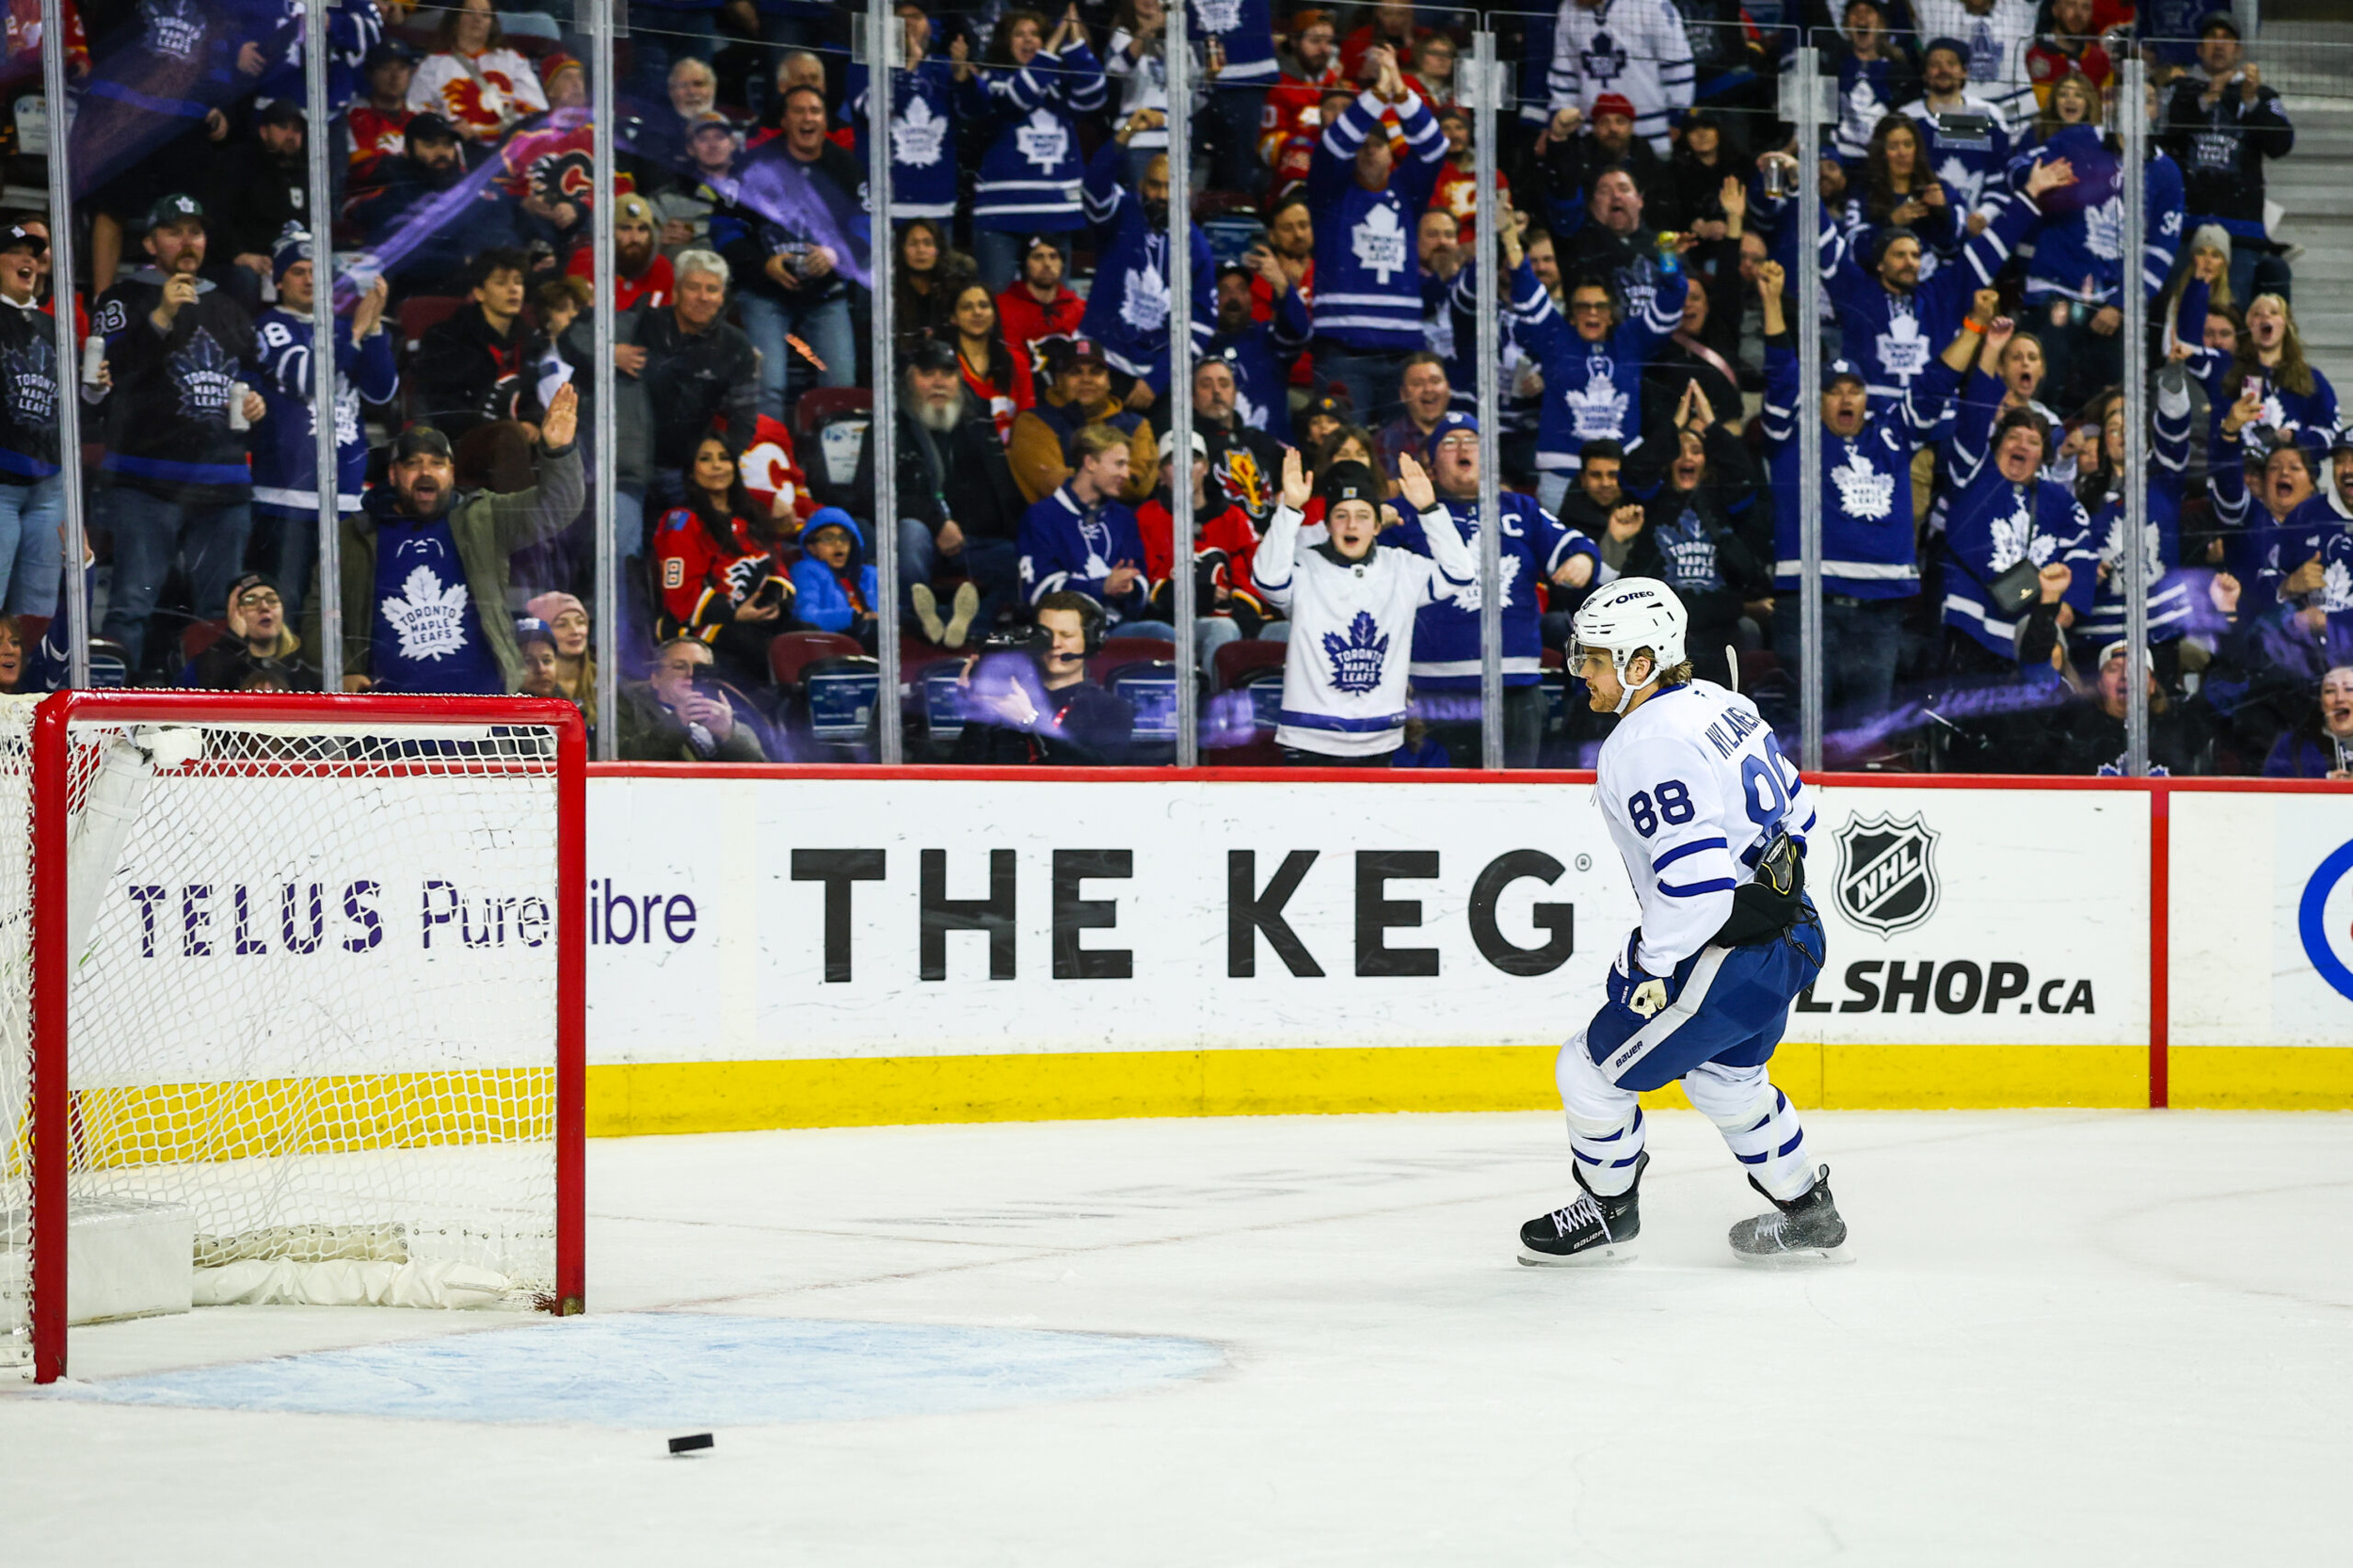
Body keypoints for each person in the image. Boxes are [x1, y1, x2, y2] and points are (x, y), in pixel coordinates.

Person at [1516, 577, 1841, 1266]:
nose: (1582, 672)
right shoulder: (1725, 703)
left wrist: (1654, 965)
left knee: (1589, 1073)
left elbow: (1696, 885)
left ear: (1641, 665)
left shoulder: (1643, 743)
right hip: (1793, 930)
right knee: (1726, 1080)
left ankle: (1608, 1213)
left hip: (1728, 949)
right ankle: (1810, 1211)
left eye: (1596, 660)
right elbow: (1804, 816)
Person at [1756, 261, 1986, 727]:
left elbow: (1934, 385)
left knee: (1863, 738)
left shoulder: (1893, 433)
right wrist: (1770, 301)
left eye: (1854, 390)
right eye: (1833, 390)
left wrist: (1976, 324)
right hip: (1811, 606)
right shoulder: (1795, 437)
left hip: (1880, 612)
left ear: (1867, 397)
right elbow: (1782, 373)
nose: (1845, 398)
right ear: (1818, 399)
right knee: (1809, 732)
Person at [88, 192, 265, 668]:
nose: (187, 241)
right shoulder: (123, 298)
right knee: (131, 606)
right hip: (145, 481)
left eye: (195, 231)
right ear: (149, 243)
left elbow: (252, 371)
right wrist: (161, 318)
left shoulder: (228, 304)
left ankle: (210, 722)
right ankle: (108, 725)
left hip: (221, 485)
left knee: (220, 615)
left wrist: (254, 399)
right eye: (173, 231)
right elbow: (105, 379)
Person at [341, 387, 584, 693]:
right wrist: (344, 668)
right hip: (391, 720)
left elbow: (557, 507)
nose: (425, 472)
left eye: (437, 463)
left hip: (483, 716)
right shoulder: (356, 533)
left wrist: (559, 452)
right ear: (392, 474)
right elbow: (319, 612)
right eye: (413, 464)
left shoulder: (483, 517)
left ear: (452, 473)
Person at [1393, 413, 1598, 767]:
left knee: (1514, 799)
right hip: (1433, 689)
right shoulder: (1405, 514)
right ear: (1430, 464)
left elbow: (1574, 544)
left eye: (1472, 441)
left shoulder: (1521, 509)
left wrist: (1582, 558)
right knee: (1432, 803)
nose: (1464, 448)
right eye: (1450, 442)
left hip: (1514, 687)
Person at [1252, 450, 1475, 763]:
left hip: (1379, 740)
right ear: (1328, 525)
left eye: (1362, 516)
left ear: (1377, 527)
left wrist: (1429, 508)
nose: (1351, 525)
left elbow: (1460, 572)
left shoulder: (1401, 567)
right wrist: (1290, 508)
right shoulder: (1306, 566)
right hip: (1308, 738)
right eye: (1341, 515)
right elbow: (1267, 579)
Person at [250, 236, 397, 622]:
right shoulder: (271, 326)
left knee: (344, 615)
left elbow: (381, 392)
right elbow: (307, 376)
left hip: (345, 501)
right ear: (279, 280)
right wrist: (354, 333)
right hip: (286, 500)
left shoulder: (348, 327)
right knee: (287, 613)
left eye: (317, 272)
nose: (309, 280)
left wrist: (376, 327)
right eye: (298, 271)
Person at [850, 337, 1028, 648]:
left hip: (973, 542)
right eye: (927, 374)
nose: (938, 383)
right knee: (910, 534)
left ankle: (963, 624)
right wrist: (936, 523)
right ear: (909, 379)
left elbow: (1002, 490)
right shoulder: (888, 426)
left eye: (947, 374)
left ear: (958, 380)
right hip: (920, 540)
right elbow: (869, 493)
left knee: (1022, 559)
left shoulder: (977, 421)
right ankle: (913, 625)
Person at [1306, 44, 1446, 425]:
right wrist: (1377, 96)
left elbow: (1435, 147)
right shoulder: (1330, 191)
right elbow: (1334, 145)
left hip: (1402, 353)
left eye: (1379, 145)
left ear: (1391, 152)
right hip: (1343, 351)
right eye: (1363, 146)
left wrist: (1400, 91)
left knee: (1400, 455)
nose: (1369, 152)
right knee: (1346, 446)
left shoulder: (1406, 190)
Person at [709, 84, 862, 417]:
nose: (808, 118)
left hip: (826, 295)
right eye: (799, 111)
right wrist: (763, 263)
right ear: (784, 119)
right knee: (767, 386)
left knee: (841, 385)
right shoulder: (753, 166)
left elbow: (868, 232)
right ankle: (769, 462)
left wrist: (836, 256)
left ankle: (832, 467)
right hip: (765, 294)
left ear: (825, 121)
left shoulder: (847, 168)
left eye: (815, 111)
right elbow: (722, 228)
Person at [611, 248, 760, 538]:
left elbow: (744, 419)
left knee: (688, 548)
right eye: (693, 287)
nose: (703, 297)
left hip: (688, 475)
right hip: (627, 469)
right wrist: (608, 351)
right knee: (623, 549)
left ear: (722, 297)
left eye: (712, 290)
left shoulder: (736, 347)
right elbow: (575, 339)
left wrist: (714, 466)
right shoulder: (641, 322)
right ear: (676, 291)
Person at [1079, 108, 1213, 417]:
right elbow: (1094, 188)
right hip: (1102, 363)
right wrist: (1127, 132)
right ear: (1141, 186)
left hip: (1151, 379)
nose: (1162, 194)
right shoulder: (1122, 213)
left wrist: (1157, 380)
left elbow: (1199, 326)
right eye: (1154, 185)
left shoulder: (1197, 248)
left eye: (1171, 186)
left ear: (1187, 190)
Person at [963, 7, 1107, 292]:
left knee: (1054, 304)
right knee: (998, 303)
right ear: (1006, 42)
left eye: (1036, 35)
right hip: (1001, 213)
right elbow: (1019, 99)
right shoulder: (993, 80)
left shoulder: (1058, 83)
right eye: (1019, 35)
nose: (1028, 41)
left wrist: (1074, 39)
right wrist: (1052, 46)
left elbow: (1095, 93)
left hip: (1055, 211)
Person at [2163, 13, 2294, 312]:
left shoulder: (2262, 95)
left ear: (2239, 51)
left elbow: (2281, 144)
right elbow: (2169, 130)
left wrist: (2252, 104)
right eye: (2211, 37)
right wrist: (2213, 93)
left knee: (2231, 314)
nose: (2218, 44)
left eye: (2227, 38)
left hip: (2242, 231)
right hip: (2185, 227)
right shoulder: (2183, 90)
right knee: (2178, 311)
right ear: (2198, 49)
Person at [653, 433, 797, 688]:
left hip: (757, 620)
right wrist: (735, 613)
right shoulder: (681, 522)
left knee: (807, 638)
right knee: (767, 654)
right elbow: (680, 596)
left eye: (724, 458)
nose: (717, 466)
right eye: (706, 459)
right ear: (691, 471)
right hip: (708, 627)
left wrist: (771, 602)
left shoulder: (752, 517)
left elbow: (778, 570)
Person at [952, 590, 1135, 764]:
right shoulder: (1009, 695)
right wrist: (979, 708)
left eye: (1067, 635)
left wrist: (1031, 722)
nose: (1055, 644)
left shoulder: (1112, 710)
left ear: (1090, 643)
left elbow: (1101, 772)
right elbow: (965, 771)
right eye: (1045, 635)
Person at [1137, 428, 1256, 680]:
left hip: (1235, 619)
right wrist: (1201, 595)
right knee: (1222, 628)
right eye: (1173, 461)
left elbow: (1253, 575)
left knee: (1287, 630)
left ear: (1205, 466)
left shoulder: (1233, 518)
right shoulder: (1147, 517)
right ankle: (1214, 709)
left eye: (1193, 459)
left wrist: (1239, 606)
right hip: (1176, 625)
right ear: (1161, 473)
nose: (1184, 467)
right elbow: (1150, 586)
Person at [1019, 423, 1158, 633]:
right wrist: (1101, 587)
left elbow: (1140, 578)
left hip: (1118, 628)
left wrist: (1128, 587)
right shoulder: (1042, 516)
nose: (1127, 474)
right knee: (1159, 635)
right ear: (1090, 463)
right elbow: (1039, 594)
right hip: (1066, 635)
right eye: (1119, 464)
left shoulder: (1123, 517)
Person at [1006, 337, 1156, 505]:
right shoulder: (1033, 422)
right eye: (1075, 372)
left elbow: (1138, 485)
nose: (1086, 379)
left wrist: (1080, 476)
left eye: (1096, 372)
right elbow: (1051, 484)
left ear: (1108, 381)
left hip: (1121, 527)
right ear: (1059, 380)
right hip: (1059, 527)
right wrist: (1114, 476)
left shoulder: (1136, 425)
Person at [0, 222, 63, 616]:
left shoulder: (51, 325)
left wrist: (92, 390)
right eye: (16, 250)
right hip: (1, 481)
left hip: (48, 486)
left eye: (34, 253)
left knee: (37, 610)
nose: (30, 259)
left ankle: (30, 680)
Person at [411, 248, 533, 446]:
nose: (513, 289)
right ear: (479, 293)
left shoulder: (531, 339)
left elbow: (538, 394)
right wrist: (498, 430)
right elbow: (443, 406)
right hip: (466, 442)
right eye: (501, 282)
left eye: (518, 282)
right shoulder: (447, 338)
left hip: (520, 441)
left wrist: (534, 424)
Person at [1545, 0, 1695, 153]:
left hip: (1651, 134)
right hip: (1592, 137)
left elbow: (1678, 65)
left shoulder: (1653, 4)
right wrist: (1557, 121)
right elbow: (1565, 74)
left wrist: (1676, 116)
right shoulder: (1568, 9)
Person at [1898, 36, 2017, 220]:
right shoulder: (1906, 119)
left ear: (1965, 72)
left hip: (1976, 226)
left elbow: (1999, 177)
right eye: (1935, 64)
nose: (1943, 70)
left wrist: (1984, 215)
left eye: (1951, 63)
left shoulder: (1988, 115)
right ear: (1925, 74)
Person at [408, 0, 546, 144]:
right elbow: (417, 110)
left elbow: (536, 110)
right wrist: (449, 126)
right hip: (455, 149)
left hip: (510, 151)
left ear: (491, 24)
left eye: (485, 15)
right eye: (470, 12)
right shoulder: (432, 64)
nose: (478, 19)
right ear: (455, 21)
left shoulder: (513, 60)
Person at [618, 636, 769, 761]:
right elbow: (622, 760)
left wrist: (728, 733)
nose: (691, 674)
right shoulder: (629, 708)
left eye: (700, 669)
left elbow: (763, 774)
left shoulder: (731, 717)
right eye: (679, 666)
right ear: (656, 678)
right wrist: (677, 723)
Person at [190, 572, 320, 690]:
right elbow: (210, 684)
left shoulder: (302, 669)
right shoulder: (214, 663)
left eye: (272, 600)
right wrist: (233, 640)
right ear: (234, 613)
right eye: (250, 601)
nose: (264, 607)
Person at [995, 233, 1086, 396]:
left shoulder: (1080, 309)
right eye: (1038, 257)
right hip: (1020, 396)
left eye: (1053, 257)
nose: (1047, 264)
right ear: (1025, 264)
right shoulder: (1000, 307)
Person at [789, 508, 881, 652]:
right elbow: (805, 616)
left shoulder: (869, 574)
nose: (838, 544)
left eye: (844, 538)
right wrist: (855, 617)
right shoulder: (806, 570)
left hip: (874, 637)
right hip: (833, 644)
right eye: (827, 538)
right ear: (812, 548)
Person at [566, 193, 675, 312]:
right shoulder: (585, 261)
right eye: (625, 228)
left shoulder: (662, 268)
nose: (635, 238)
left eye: (642, 229)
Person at [525, 590, 598, 732]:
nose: (575, 631)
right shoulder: (535, 684)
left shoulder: (605, 680)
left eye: (580, 622)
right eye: (562, 625)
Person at [2264, 665, 2353, 779]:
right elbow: (2270, 789)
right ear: (2321, 703)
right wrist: (2323, 783)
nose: (2339, 698)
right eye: (2330, 691)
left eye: (2349, 689)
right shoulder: (2293, 745)